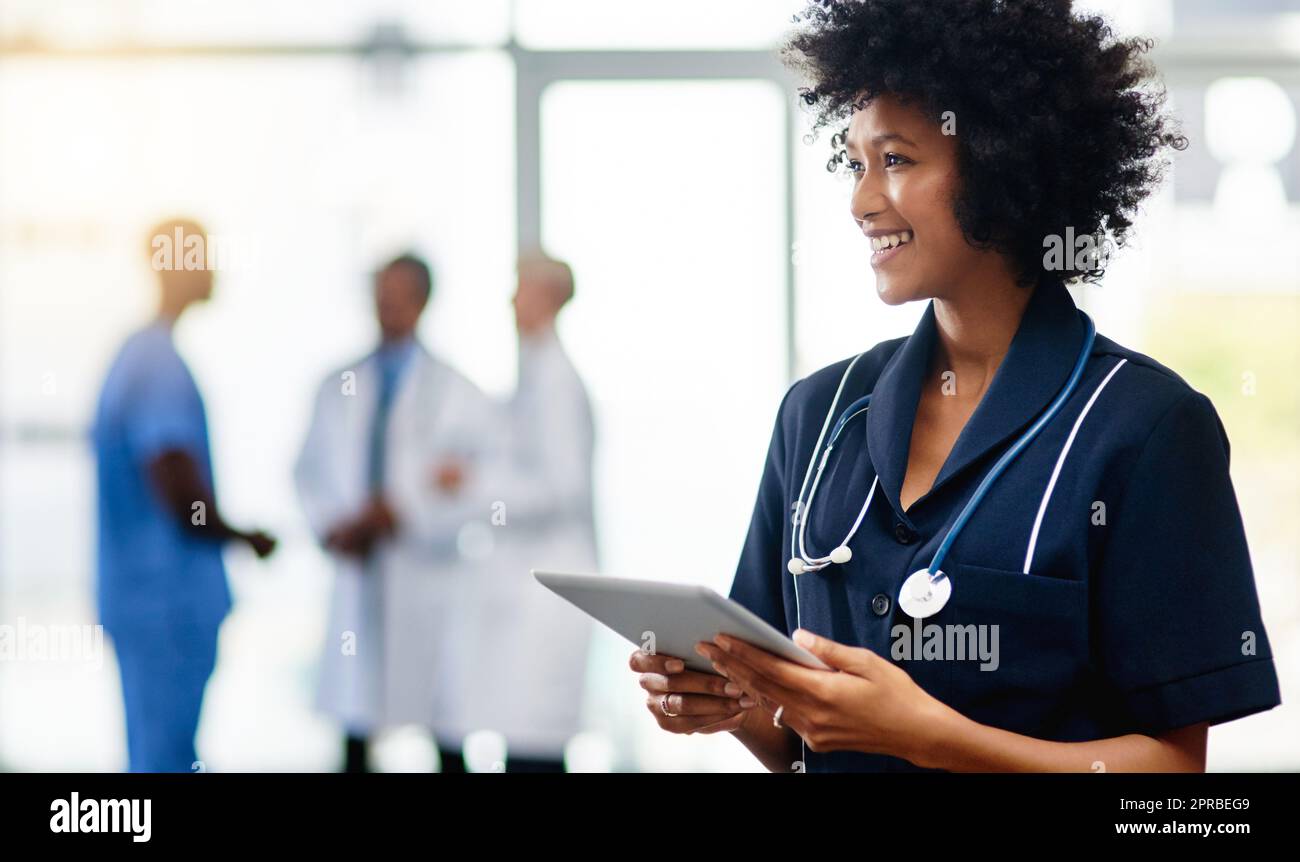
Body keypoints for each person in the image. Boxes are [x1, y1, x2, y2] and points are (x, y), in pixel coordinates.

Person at [630, 0, 1281, 773]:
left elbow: (1172, 779)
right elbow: (806, 742)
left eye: (897, 160)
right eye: (855, 163)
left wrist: (924, 735)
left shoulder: (1146, 429)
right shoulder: (818, 415)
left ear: (1005, 163)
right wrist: (734, 709)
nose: (862, 200)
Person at [294, 252, 498, 773]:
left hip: (426, 579)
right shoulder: (337, 384)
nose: (387, 303)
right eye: (380, 291)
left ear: (423, 300)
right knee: (355, 728)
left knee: (443, 730)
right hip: (358, 571)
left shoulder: (456, 392)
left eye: (399, 292)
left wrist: (401, 512)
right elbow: (308, 471)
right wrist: (335, 525)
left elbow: (474, 489)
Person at [93, 217, 277, 773]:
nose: (214, 265)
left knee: (159, 753)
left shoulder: (141, 354)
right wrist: (244, 536)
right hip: (166, 603)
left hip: (148, 599)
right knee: (165, 760)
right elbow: (175, 483)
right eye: (204, 254)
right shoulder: (157, 364)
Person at [437, 250, 597, 772]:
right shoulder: (532, 378)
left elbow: (560, 488)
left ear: (549, 298)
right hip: (523, 591)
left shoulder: (557, 384)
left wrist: (472, 482)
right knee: (520, 736)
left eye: (521, 288)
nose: (511, 300)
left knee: (536, 745)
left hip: (547, 595)